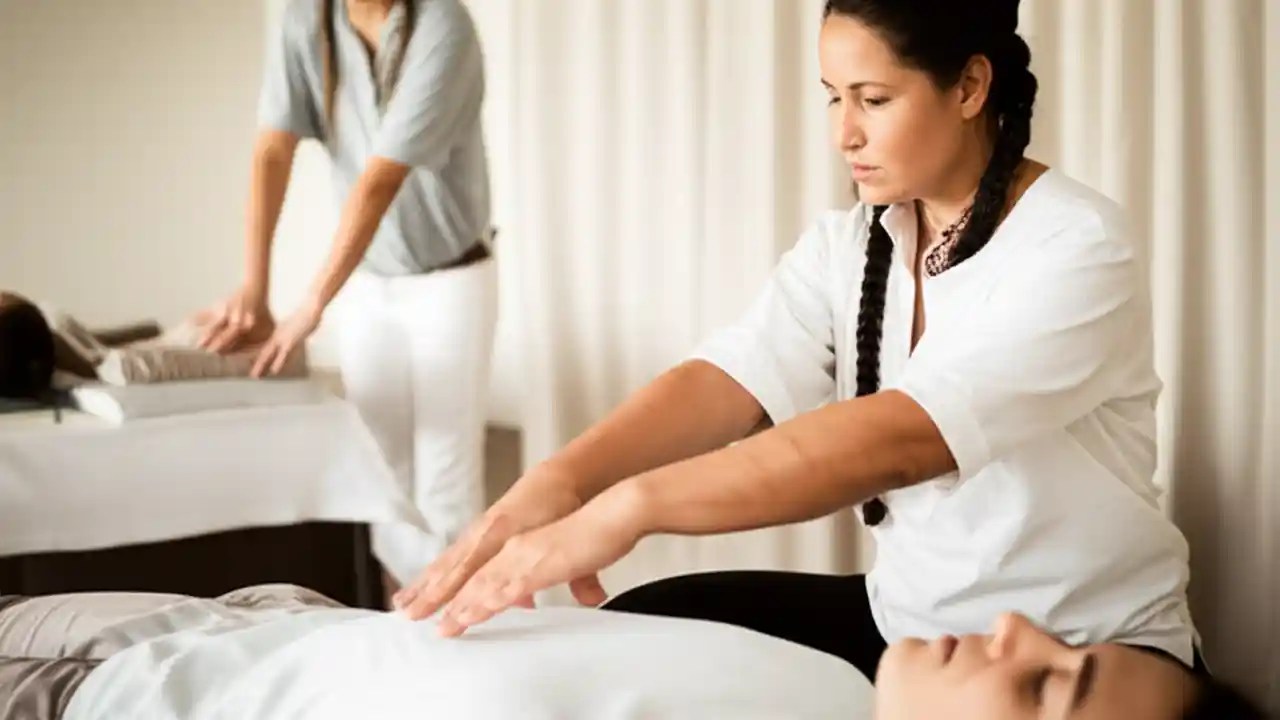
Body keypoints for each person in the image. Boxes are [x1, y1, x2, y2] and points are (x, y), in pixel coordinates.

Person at [394, 0, 1208, 689]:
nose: (843, 134)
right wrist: (562, 481)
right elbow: (725, 380)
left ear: (969, 85)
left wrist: (629, 509)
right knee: (626, 636)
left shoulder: (1077, 243)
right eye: (832, 98)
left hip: (1074, 645)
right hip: (910, 625)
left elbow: (896, 440)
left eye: (873, 99)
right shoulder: (851, 243)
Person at [198, 0, 497, 588]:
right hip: (368, 286)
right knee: (380, 477)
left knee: (446, 483)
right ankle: (405, 629)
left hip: (451, 283)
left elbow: (381, 178)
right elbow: (271, 149)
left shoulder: (442, 26)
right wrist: (254, 292)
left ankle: (460, 639)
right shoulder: (306, 20)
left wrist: (309, 305)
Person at [0, 588, 1268, 720]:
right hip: (264, 623)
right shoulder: (841, 684)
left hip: (108, 692)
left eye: (1048, 687)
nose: (1016, 629)